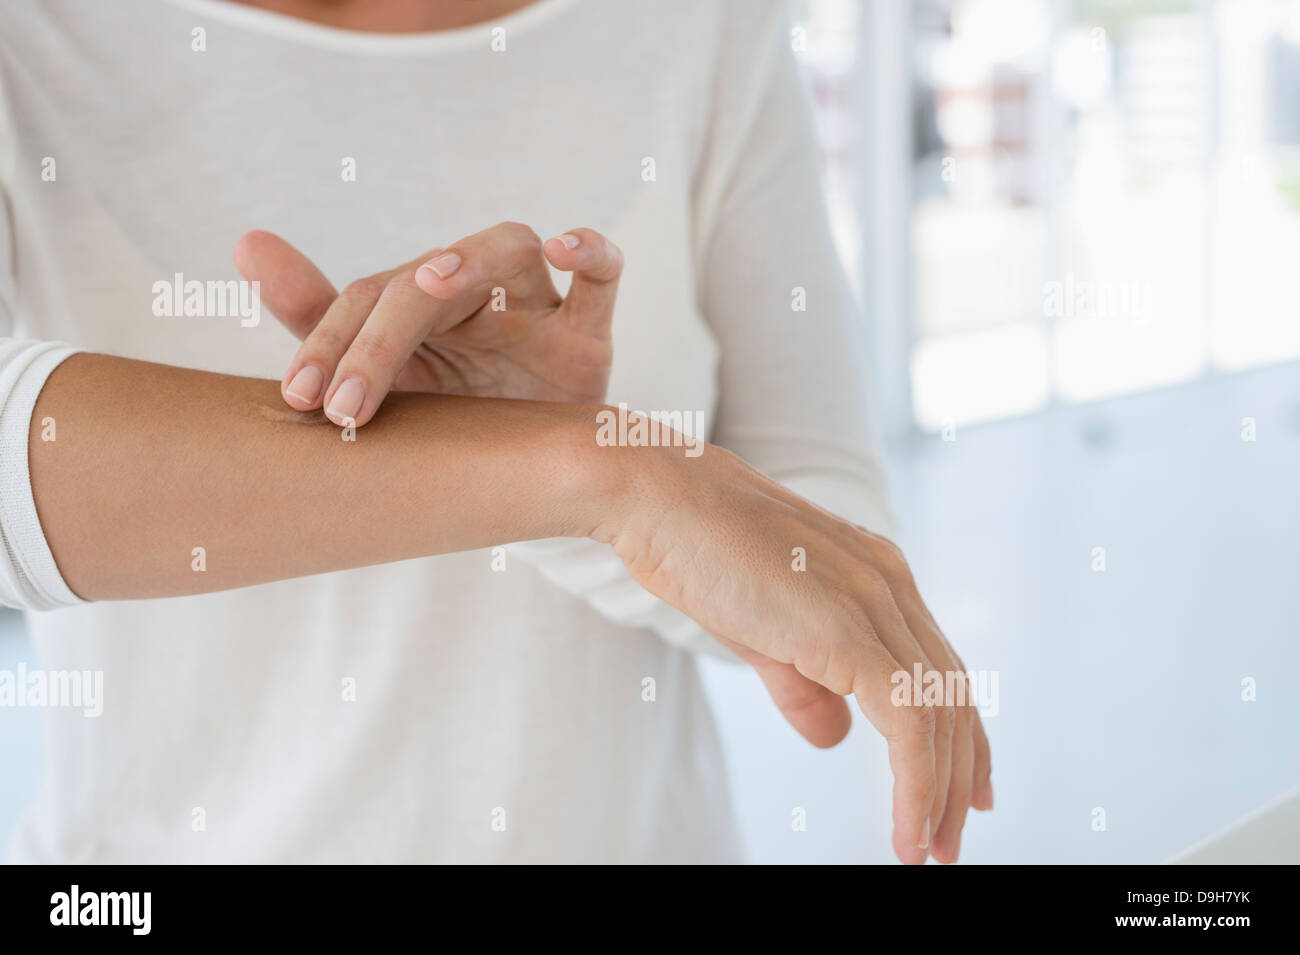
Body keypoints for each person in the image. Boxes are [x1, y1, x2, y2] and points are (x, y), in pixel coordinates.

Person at [0, 0, 991, 864]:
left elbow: (820, 521)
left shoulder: (704, 20)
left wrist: (577, 494)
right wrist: (588, 471)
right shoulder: (30, 38)